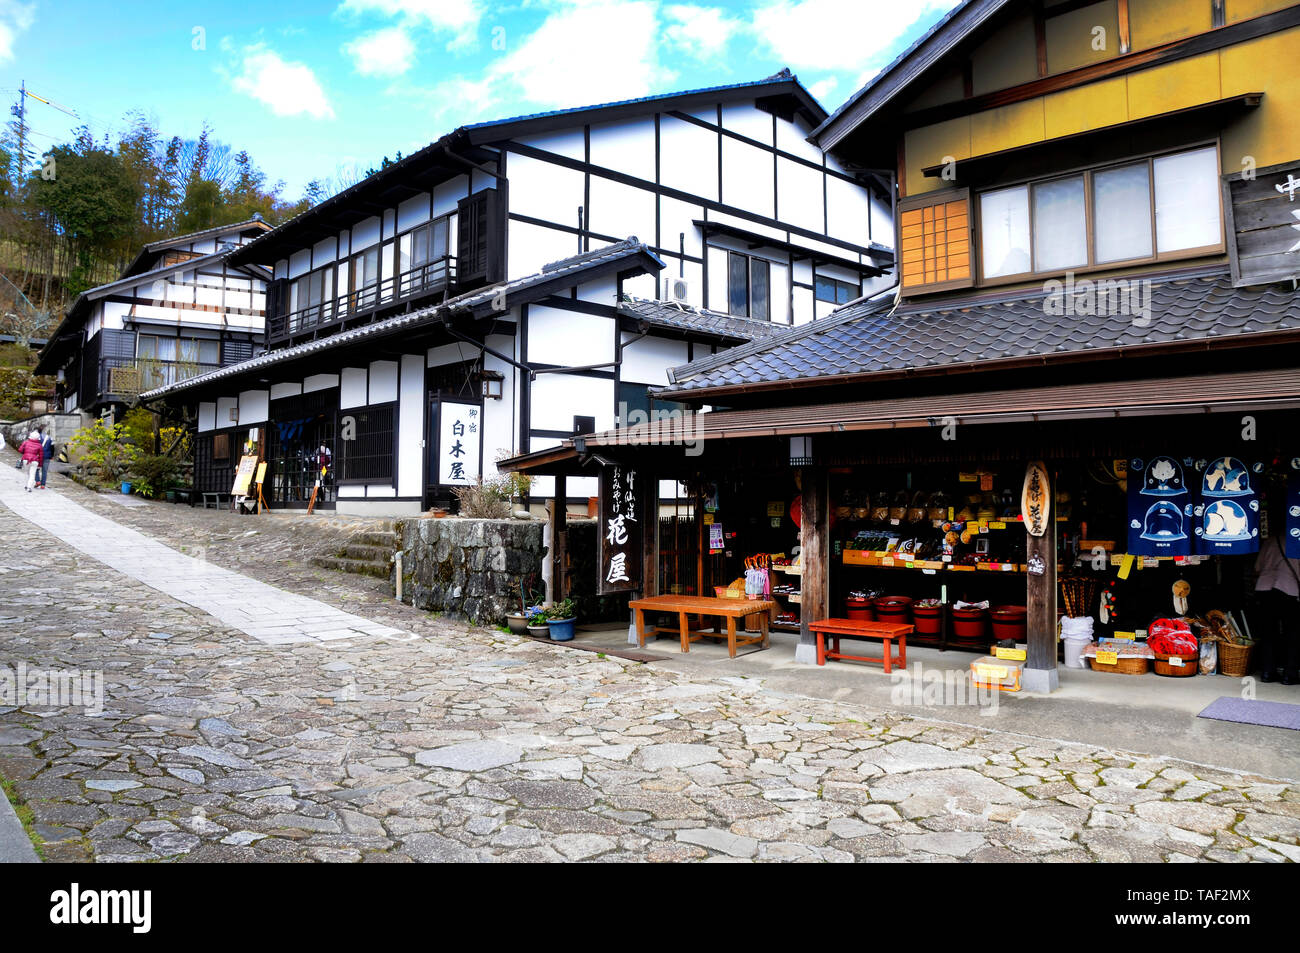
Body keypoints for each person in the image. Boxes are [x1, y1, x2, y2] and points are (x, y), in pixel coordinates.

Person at [1253, 532, 1300, 684]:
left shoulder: (1269, 541)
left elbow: (1257, 567)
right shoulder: (1296, 541)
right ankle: (1289, 674)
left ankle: (1267, 672)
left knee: (1268, 632)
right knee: (1292, 632)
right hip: (1288, 590)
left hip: (1265, 589)